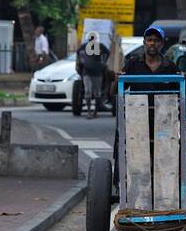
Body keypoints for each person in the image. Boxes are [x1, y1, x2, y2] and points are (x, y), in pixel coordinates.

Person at [112, 26, 176, 199]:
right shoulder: (133, 64)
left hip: (162, 124)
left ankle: (165, 195)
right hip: (137, 122)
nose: (152, 43)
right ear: (144, 43)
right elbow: (116, 90)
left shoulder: (170, 66)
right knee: (135, 159)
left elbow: (183, 95)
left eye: (156, 40)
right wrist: (117, 79)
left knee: (161, 159)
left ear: (161, 44)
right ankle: (129, 191)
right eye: (149, 40)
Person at [75, 31, 109, 114]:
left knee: (97, 92)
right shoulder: (83, 47)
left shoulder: (100, 46)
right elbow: (78, 54)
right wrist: (81, 63)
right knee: (88, 91)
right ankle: (89, 111)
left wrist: (103, 62)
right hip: (87, 72)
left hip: (97, 73)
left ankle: (95, 111)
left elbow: (108, 52)